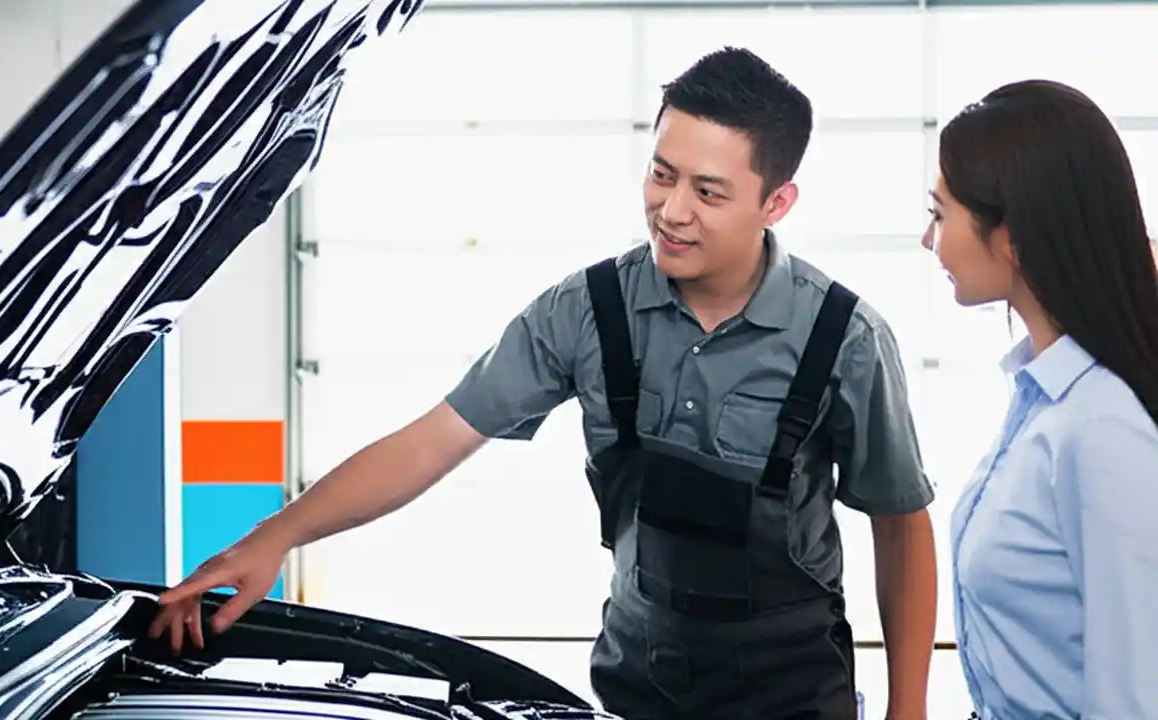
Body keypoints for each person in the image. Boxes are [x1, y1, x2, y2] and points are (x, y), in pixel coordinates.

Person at [152, 47, 939, 719]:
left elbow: (901, 527)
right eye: (660, 174)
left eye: (707, 192)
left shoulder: (845, 339)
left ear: (776, 203)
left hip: (794, 697)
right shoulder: (587, 311)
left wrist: (908, 713)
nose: (671, 211)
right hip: (637, 688)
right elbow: (432, 441)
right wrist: (274, 538)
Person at [925, 80, 1158, 719]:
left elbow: (1134, 700)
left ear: (1012, 236)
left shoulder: (1102, 427)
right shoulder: (1042, 396)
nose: (928, 239)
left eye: (940, 215)